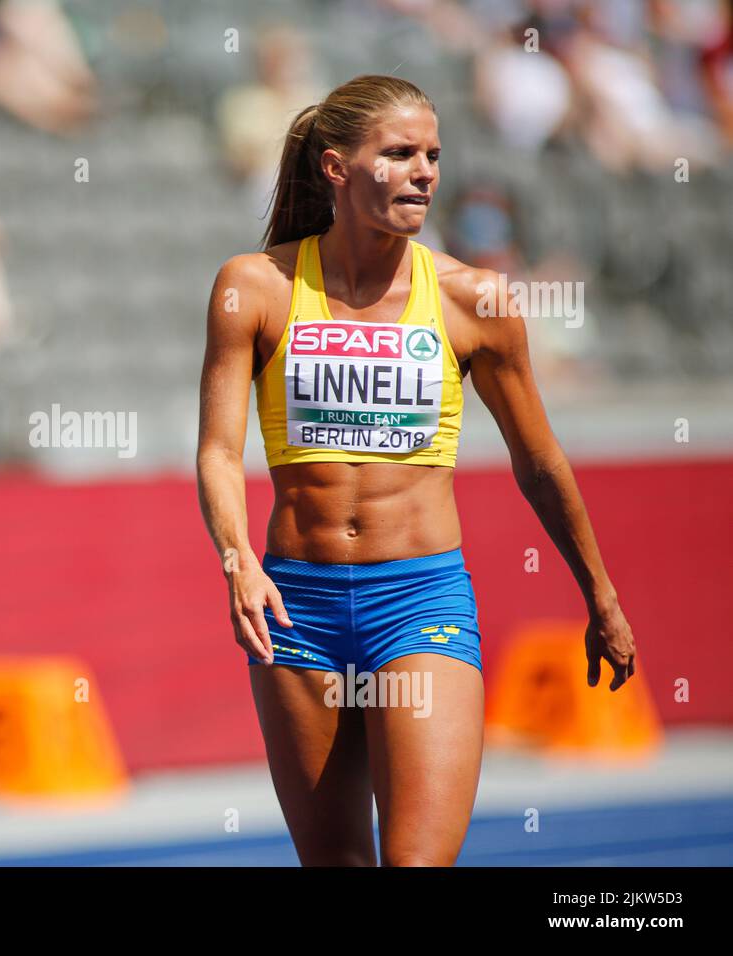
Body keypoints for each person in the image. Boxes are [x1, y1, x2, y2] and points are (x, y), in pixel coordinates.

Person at [195, 75, 637, 866]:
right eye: (398, 153)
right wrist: (237, 563)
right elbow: (220, 452)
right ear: (336, 168)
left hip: (419, 604)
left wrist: (599, 593)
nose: (424, 171)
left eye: (432, 154)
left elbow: (538, 460)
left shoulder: (478, 302)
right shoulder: (253, 287)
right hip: (298, 606)